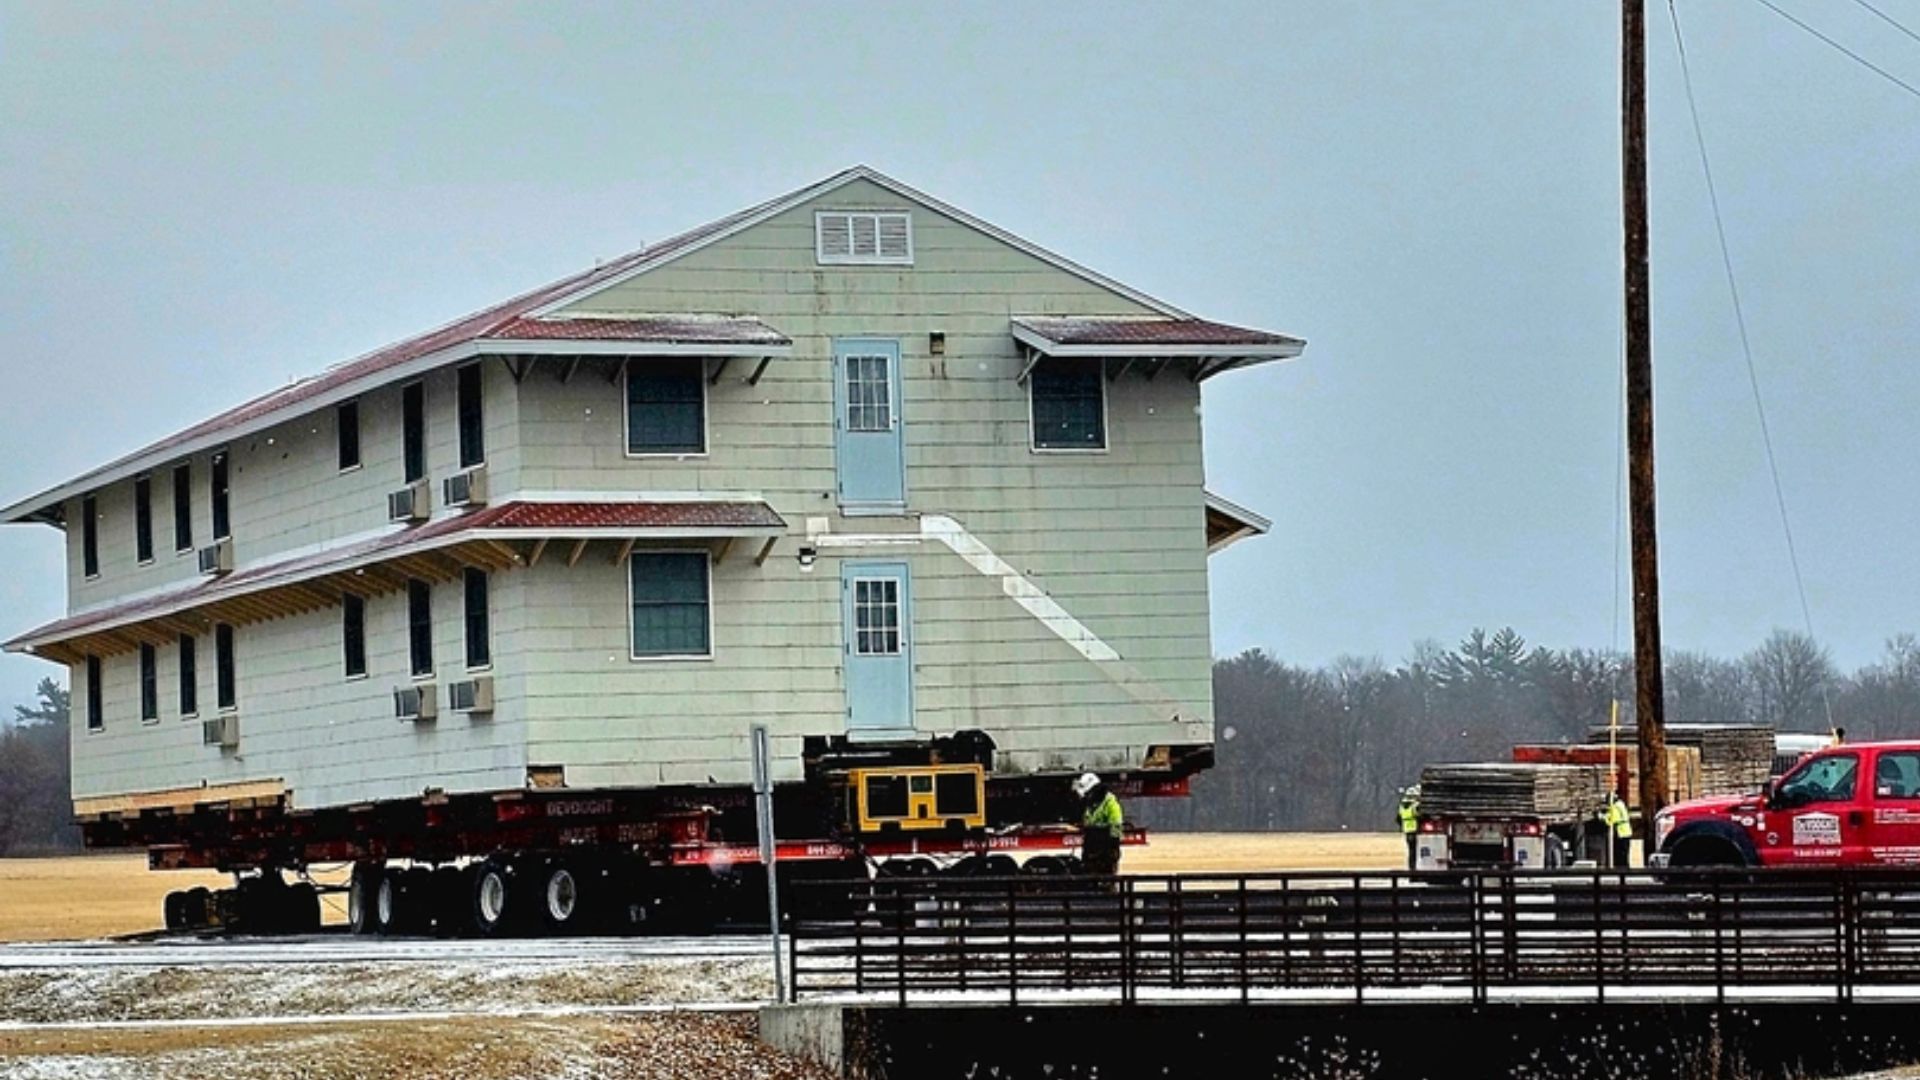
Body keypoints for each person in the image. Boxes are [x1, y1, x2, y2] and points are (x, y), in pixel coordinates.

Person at [1073, 772, 1124, 875]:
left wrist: (1112, 849)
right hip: (1091, 848)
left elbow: (1116, 827)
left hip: (1106, 850)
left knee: (1105, 881)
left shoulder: (1110, 803)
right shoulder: (1091, 804)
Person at [1604, 789, 1633, 869]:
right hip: (1626, 832)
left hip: (1622, 832)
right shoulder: (1621, 804)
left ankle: (1622, 869)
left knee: (1621, 853)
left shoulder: (1615, 806)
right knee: (1624, 852)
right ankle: (1624, 868)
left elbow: (1612, 820)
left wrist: (1602, 817)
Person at [1396, 786, 1421, 871]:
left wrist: (1402, 826)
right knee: (1416, 851)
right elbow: (1419, 816)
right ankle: (1416, 867)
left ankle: (1411, 868)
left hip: (1407, 831)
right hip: (1415, 830)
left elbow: (1398, 819)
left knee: (1411, 851)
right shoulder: (1414, 806)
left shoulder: (1401, 807)